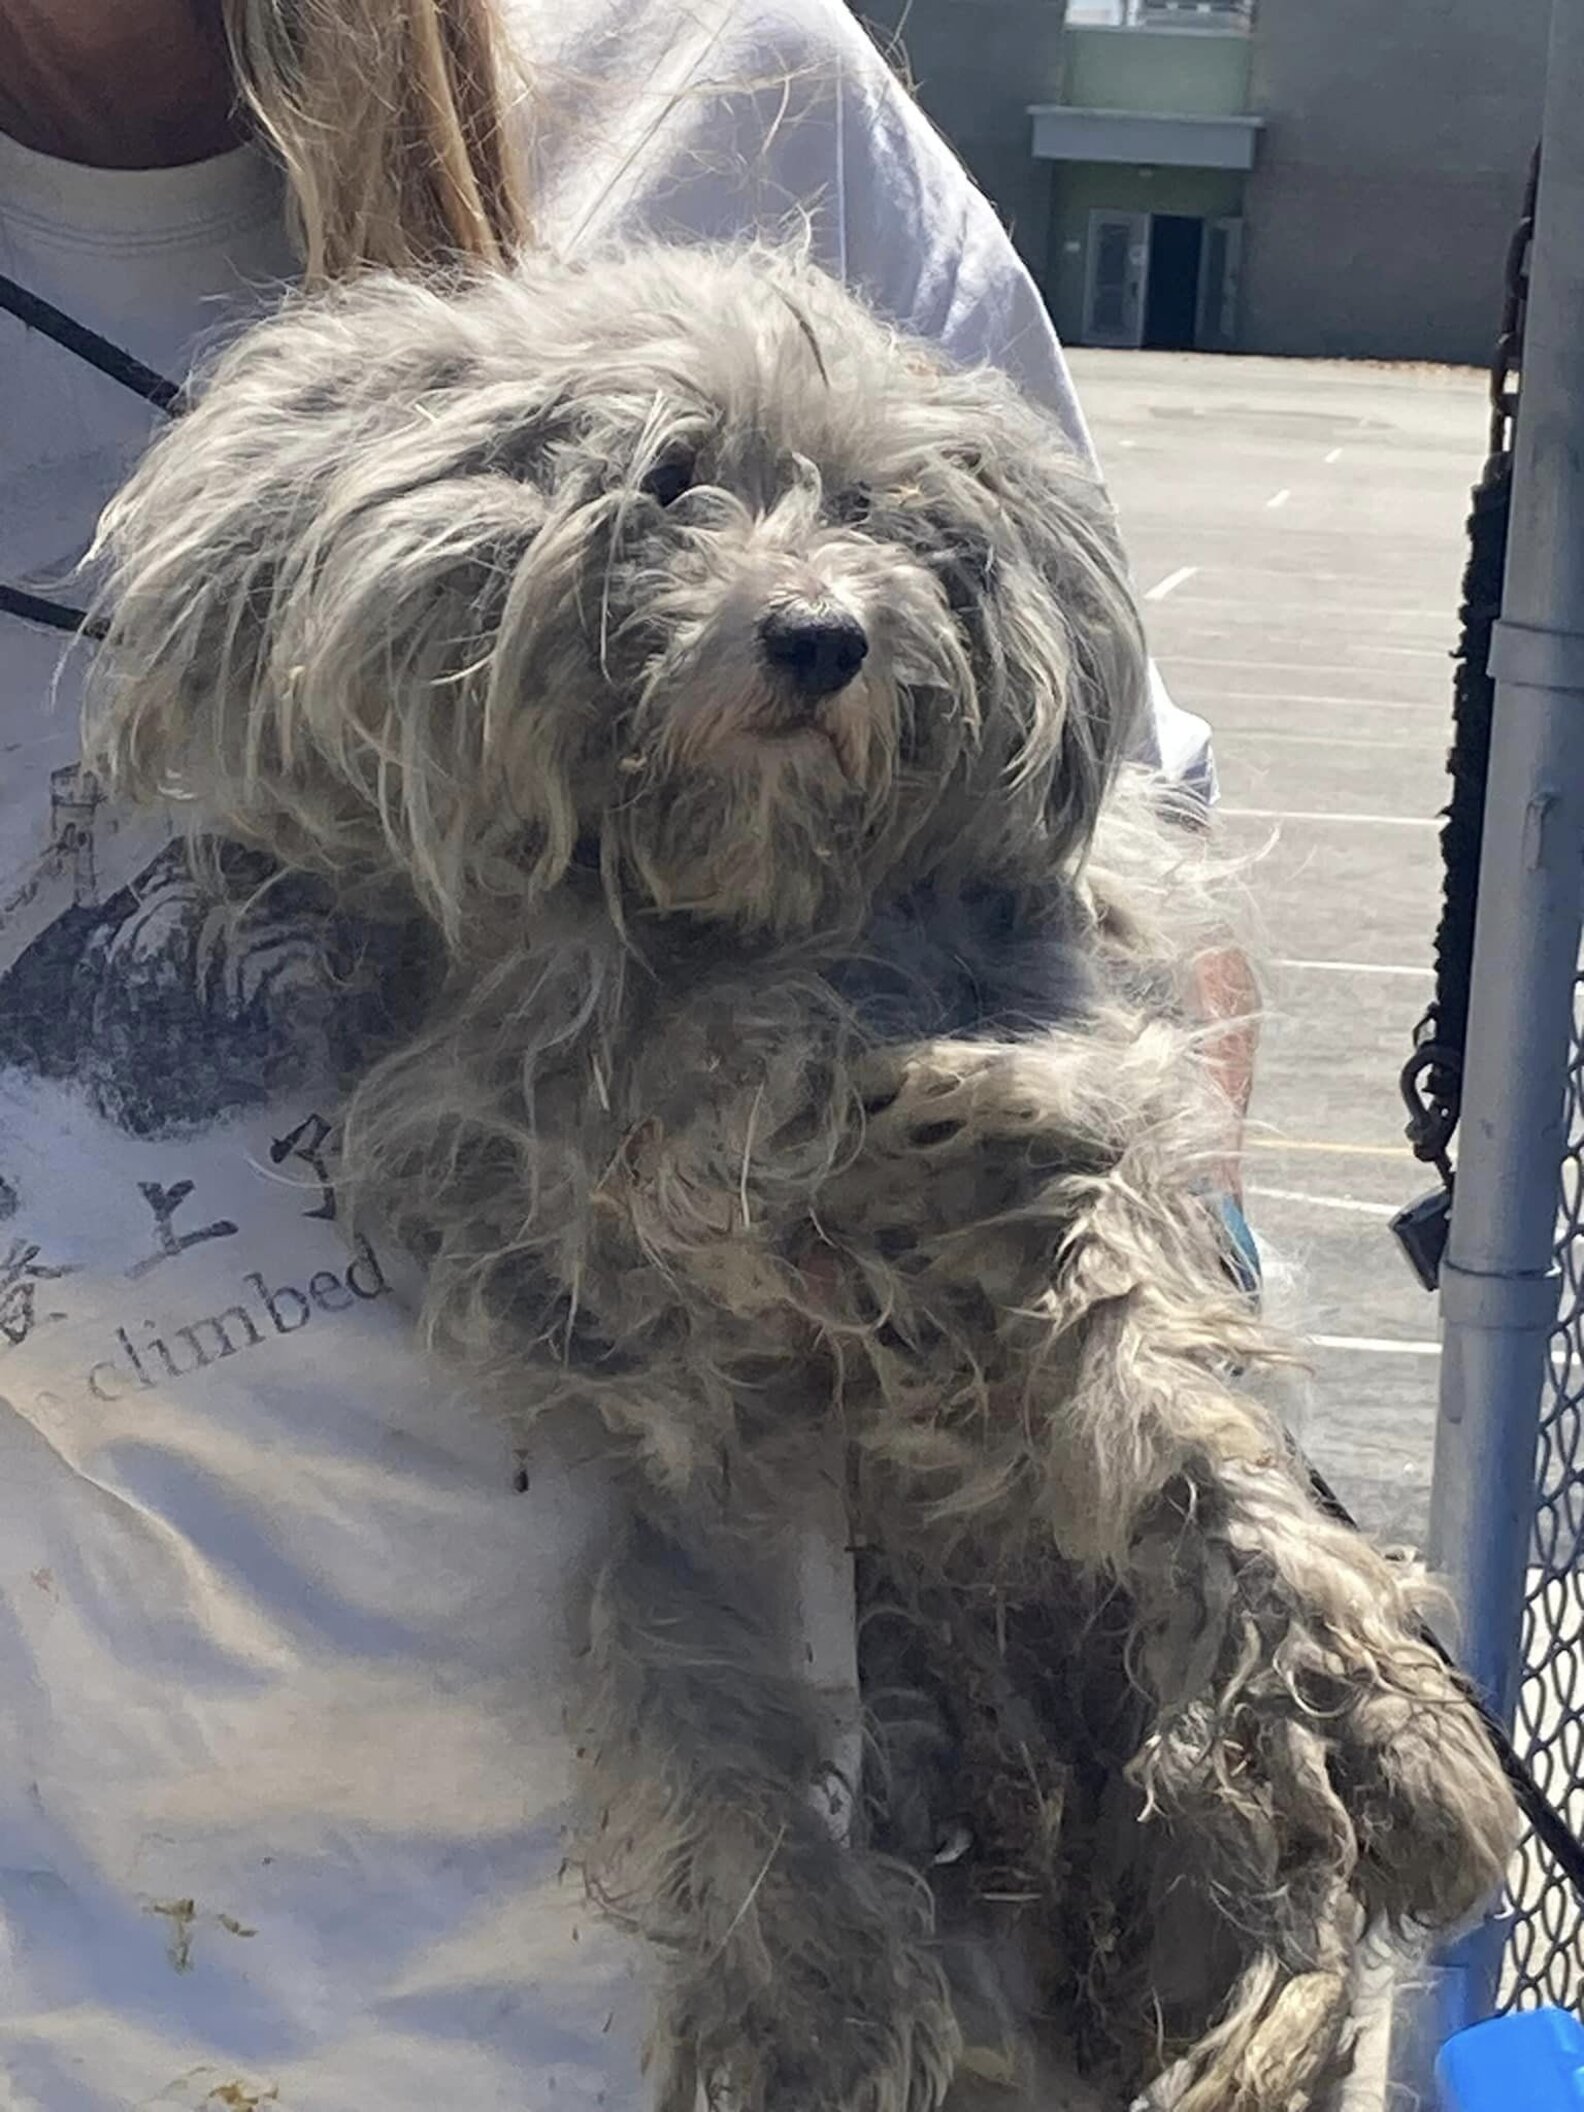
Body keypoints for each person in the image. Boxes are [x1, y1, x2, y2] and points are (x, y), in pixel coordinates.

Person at [0, 5, 1247, 2104]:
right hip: (123, 1994)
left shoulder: (721, 91)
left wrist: (939, 1220)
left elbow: (1107, 858)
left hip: (850, 1979)